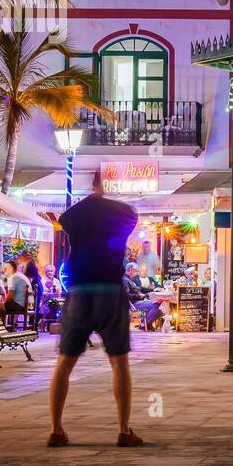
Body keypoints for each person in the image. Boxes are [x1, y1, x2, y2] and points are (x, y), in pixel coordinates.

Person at [49, 172, 142, 448]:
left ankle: (56, 429)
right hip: (110, 290)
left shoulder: (75, 216)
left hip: (79, 291)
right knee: (119, 361)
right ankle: (123, 430)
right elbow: (132, 214)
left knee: (65, 361)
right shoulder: (122, 214)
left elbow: (64, 220)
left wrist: (93, 198)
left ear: (91, 186)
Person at [124, 262, 164, 331]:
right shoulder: (125, 280)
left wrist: (152, 290)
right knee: (157, 304)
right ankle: (143, 325)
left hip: (139, 301)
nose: (136, 272)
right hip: (133, 304)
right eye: (136, 270)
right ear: (130, 269)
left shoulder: (130, 279)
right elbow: (125, 295)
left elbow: (140, 288)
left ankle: (148, 324)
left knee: (161, 309)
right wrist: (138, 295)